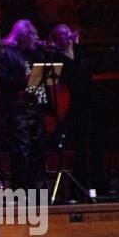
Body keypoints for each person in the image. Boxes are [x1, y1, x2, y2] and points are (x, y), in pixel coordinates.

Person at [47, 24, 105, 195]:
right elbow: (75, 75)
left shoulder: (80, 54)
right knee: (82, 146)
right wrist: (77, 47)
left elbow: (90, 69)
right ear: (57, 40)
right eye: (63, 35)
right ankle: (80, 188)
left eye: (68, 33)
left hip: (92, 104)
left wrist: (78, 47)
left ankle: (99, 185)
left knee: (97, 145)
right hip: (75, 107)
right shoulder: (57, 58)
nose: (69, 36)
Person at [0, 19, 49, 196]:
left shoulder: (37, 54)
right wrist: (22, 81)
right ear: (22, 36)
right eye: (33, 34)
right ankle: (22, 190)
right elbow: (0, 79)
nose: (36, 37)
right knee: (21, 150)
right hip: (17, 108)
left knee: (38, 148)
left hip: (36, 105)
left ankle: (38, 189)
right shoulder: (8, 53)